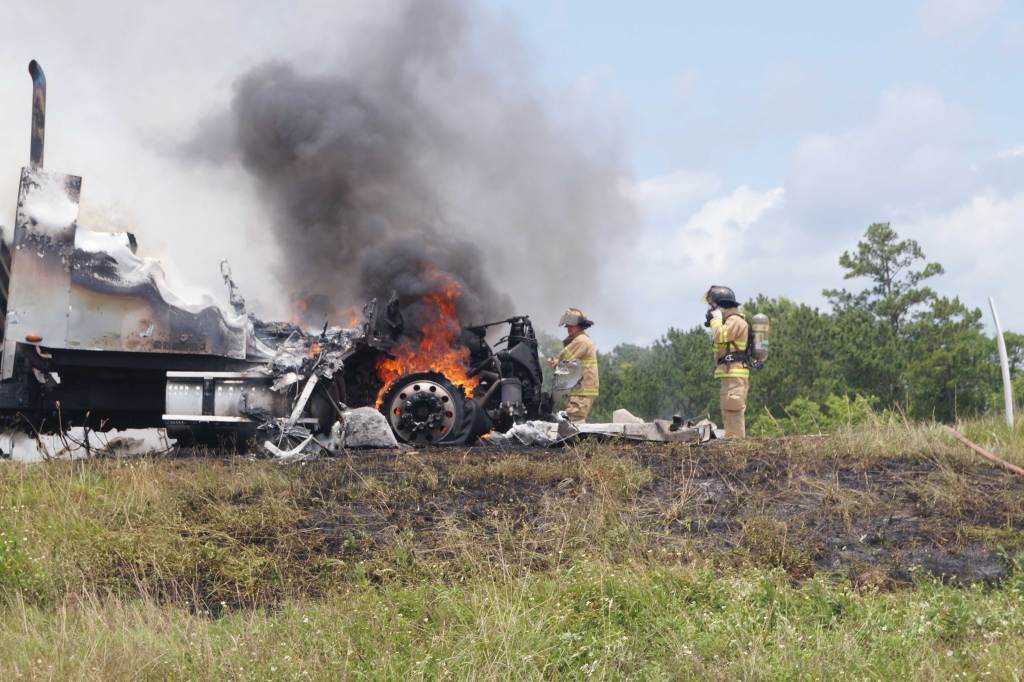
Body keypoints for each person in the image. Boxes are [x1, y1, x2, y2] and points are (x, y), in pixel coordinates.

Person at [705, 286, 749, 438]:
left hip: (734, 374)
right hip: (729, 374)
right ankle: (733, 443)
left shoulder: (735, 321)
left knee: (733, 409)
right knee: (728, 410)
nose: (710, 310)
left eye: (713, 306)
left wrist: (716, 320)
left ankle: (736, 448)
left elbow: (720, 336)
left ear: (721, 305)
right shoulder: (728, 321)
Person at [546, 308, 599, 422]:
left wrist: (555, 362)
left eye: (572, 325)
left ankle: (578, 441)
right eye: (567, 326)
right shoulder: (583, 339)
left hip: (582, 390)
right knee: (573, 419)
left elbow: (564, 359)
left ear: (579, 325)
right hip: (581, 389)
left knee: (575, 420)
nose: (568, 328)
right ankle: (579, 440)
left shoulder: (580, 341)